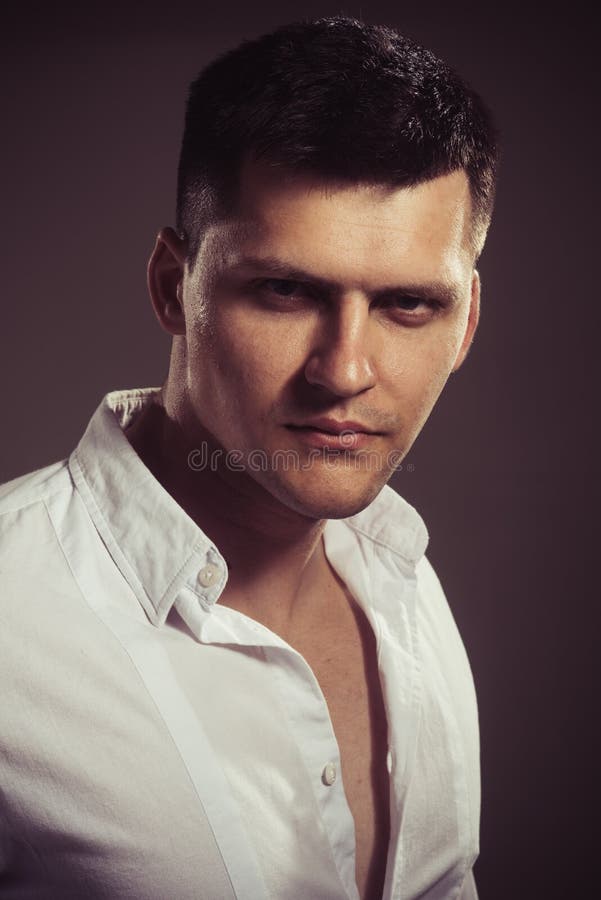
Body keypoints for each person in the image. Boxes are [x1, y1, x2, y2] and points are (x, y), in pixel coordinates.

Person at [0, 16, 498, 900]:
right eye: (283, 290)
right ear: (172, 287)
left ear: (463, 325)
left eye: (408, 305)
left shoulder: (405, 583)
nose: (344, 372)